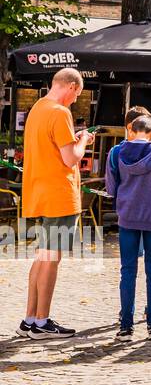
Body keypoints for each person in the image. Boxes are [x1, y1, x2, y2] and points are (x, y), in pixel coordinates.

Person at [17, 67, 91, 339]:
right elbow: (71, 158)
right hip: (59, 194)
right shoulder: (60, 113)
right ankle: (41, 320)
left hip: (38, 191)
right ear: (71, 87)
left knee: (42, 256)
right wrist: (83, 139)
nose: (75, 101)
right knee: (51, 258)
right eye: (77, 95)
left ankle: (30, 318)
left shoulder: (37, 107)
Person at [105, 114, 151, 341]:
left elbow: (110, 188)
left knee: (127, 271)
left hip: (127, 217)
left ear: (131, 130)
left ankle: (126, 327)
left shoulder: (116, 153)